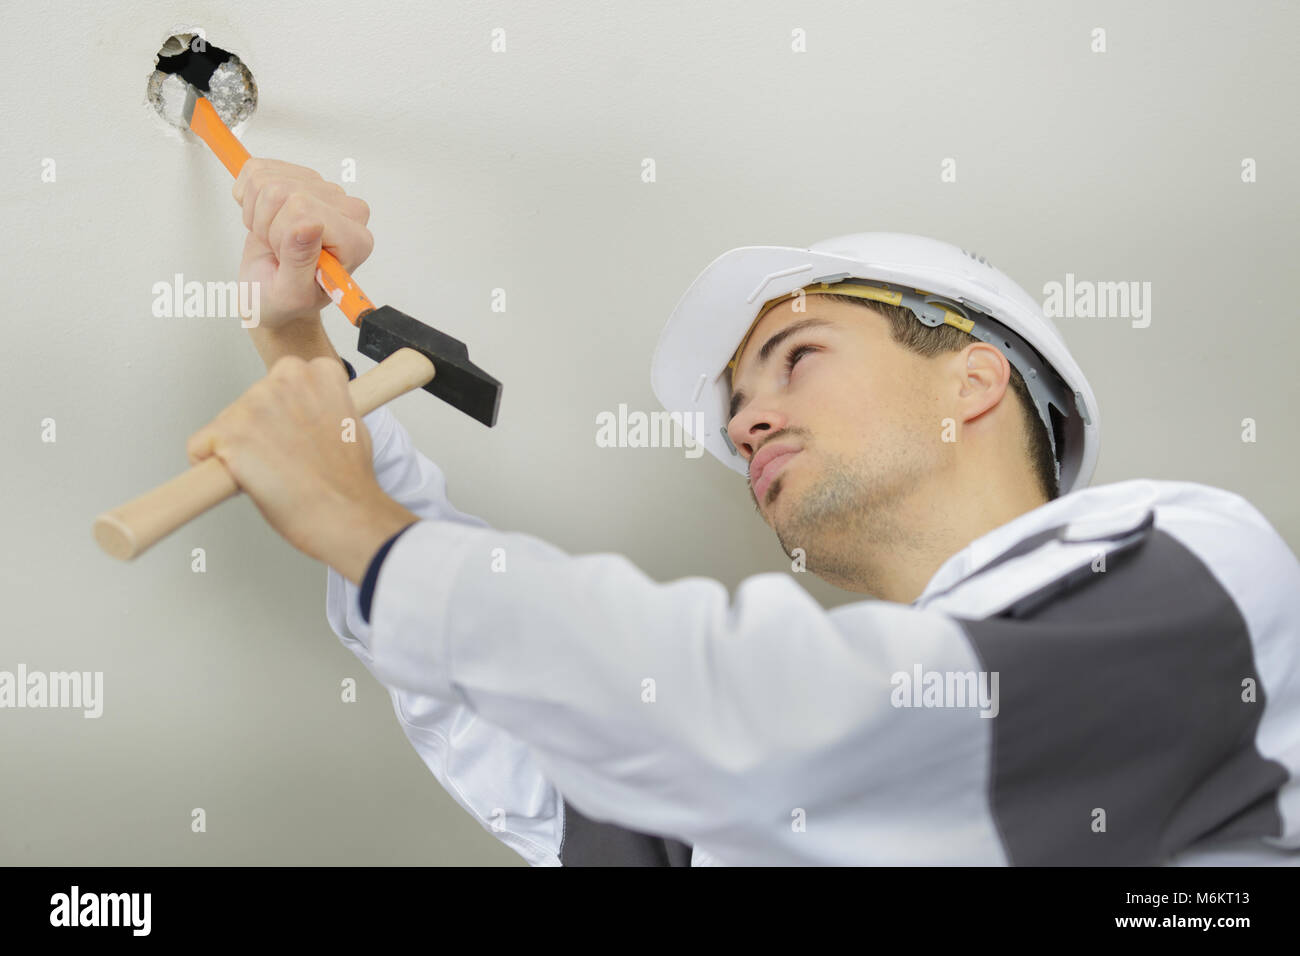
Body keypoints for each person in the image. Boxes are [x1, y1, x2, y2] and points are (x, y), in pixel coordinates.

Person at [188, 159, 1300, 866]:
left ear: (972, 377)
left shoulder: (1189, 554)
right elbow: (523, 735)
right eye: (736, 412)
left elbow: (795, 725)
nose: (748, 423)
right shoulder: (743, 820)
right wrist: (302, 362)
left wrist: (369, 537)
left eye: (793, 358)